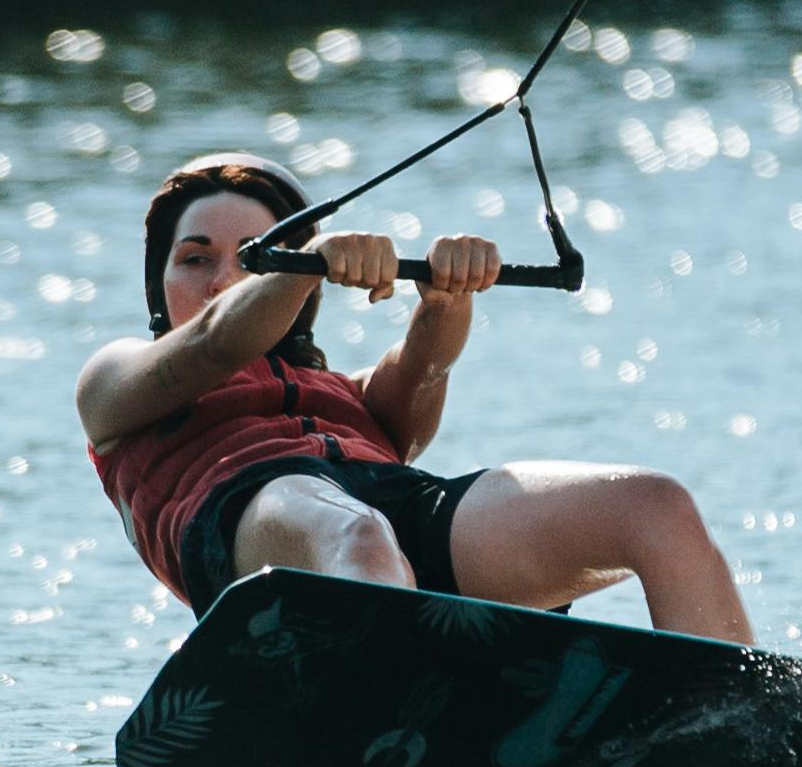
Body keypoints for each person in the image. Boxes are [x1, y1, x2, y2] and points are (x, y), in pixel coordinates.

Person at [78, 153, 752, 641]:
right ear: (158, 279)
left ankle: (746, 733)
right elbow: (216, 342)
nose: (223, 279)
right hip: (253, 534)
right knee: (358, 535)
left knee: (653, 504)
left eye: (254, 255)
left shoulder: (346, 395)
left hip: (398, 518)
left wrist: (446, 296)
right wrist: (296, 264)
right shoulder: (116, 379)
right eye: (196, 258)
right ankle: (391, 727)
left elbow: (421, 368)